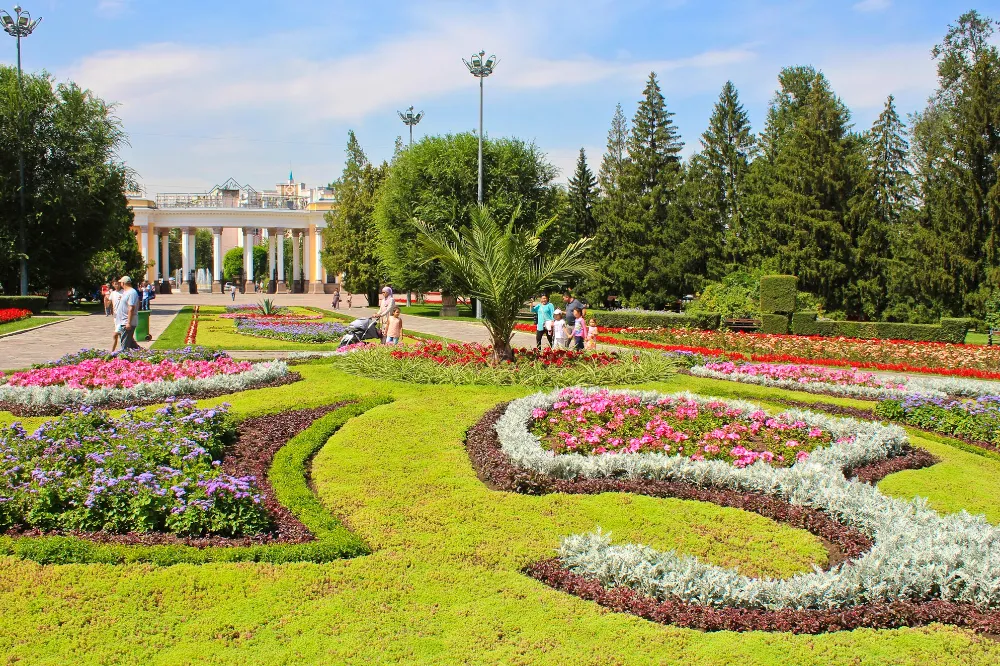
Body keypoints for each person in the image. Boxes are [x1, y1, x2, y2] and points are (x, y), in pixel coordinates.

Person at [118, 275, 141, 351]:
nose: (120, 284)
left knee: (124, 345)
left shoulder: (132, 292)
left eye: (121, 282)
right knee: (130, 343)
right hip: (122, 321)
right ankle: (142, 353)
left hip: (127, 322)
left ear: (123, 283)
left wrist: (128, 322)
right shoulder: (126, 292)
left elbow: (131, 308)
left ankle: (123, 360)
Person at [109, 280, 124, 351]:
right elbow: (110, 303)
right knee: (121, 335)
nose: (117, 285)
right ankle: (124, 349)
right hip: (115, 316)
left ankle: (112, 352)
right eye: (115, 284)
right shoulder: (112, 293)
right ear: (113, 284)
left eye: (118, 284)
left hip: (122, 316)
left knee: (115, 334)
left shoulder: (124, 292)